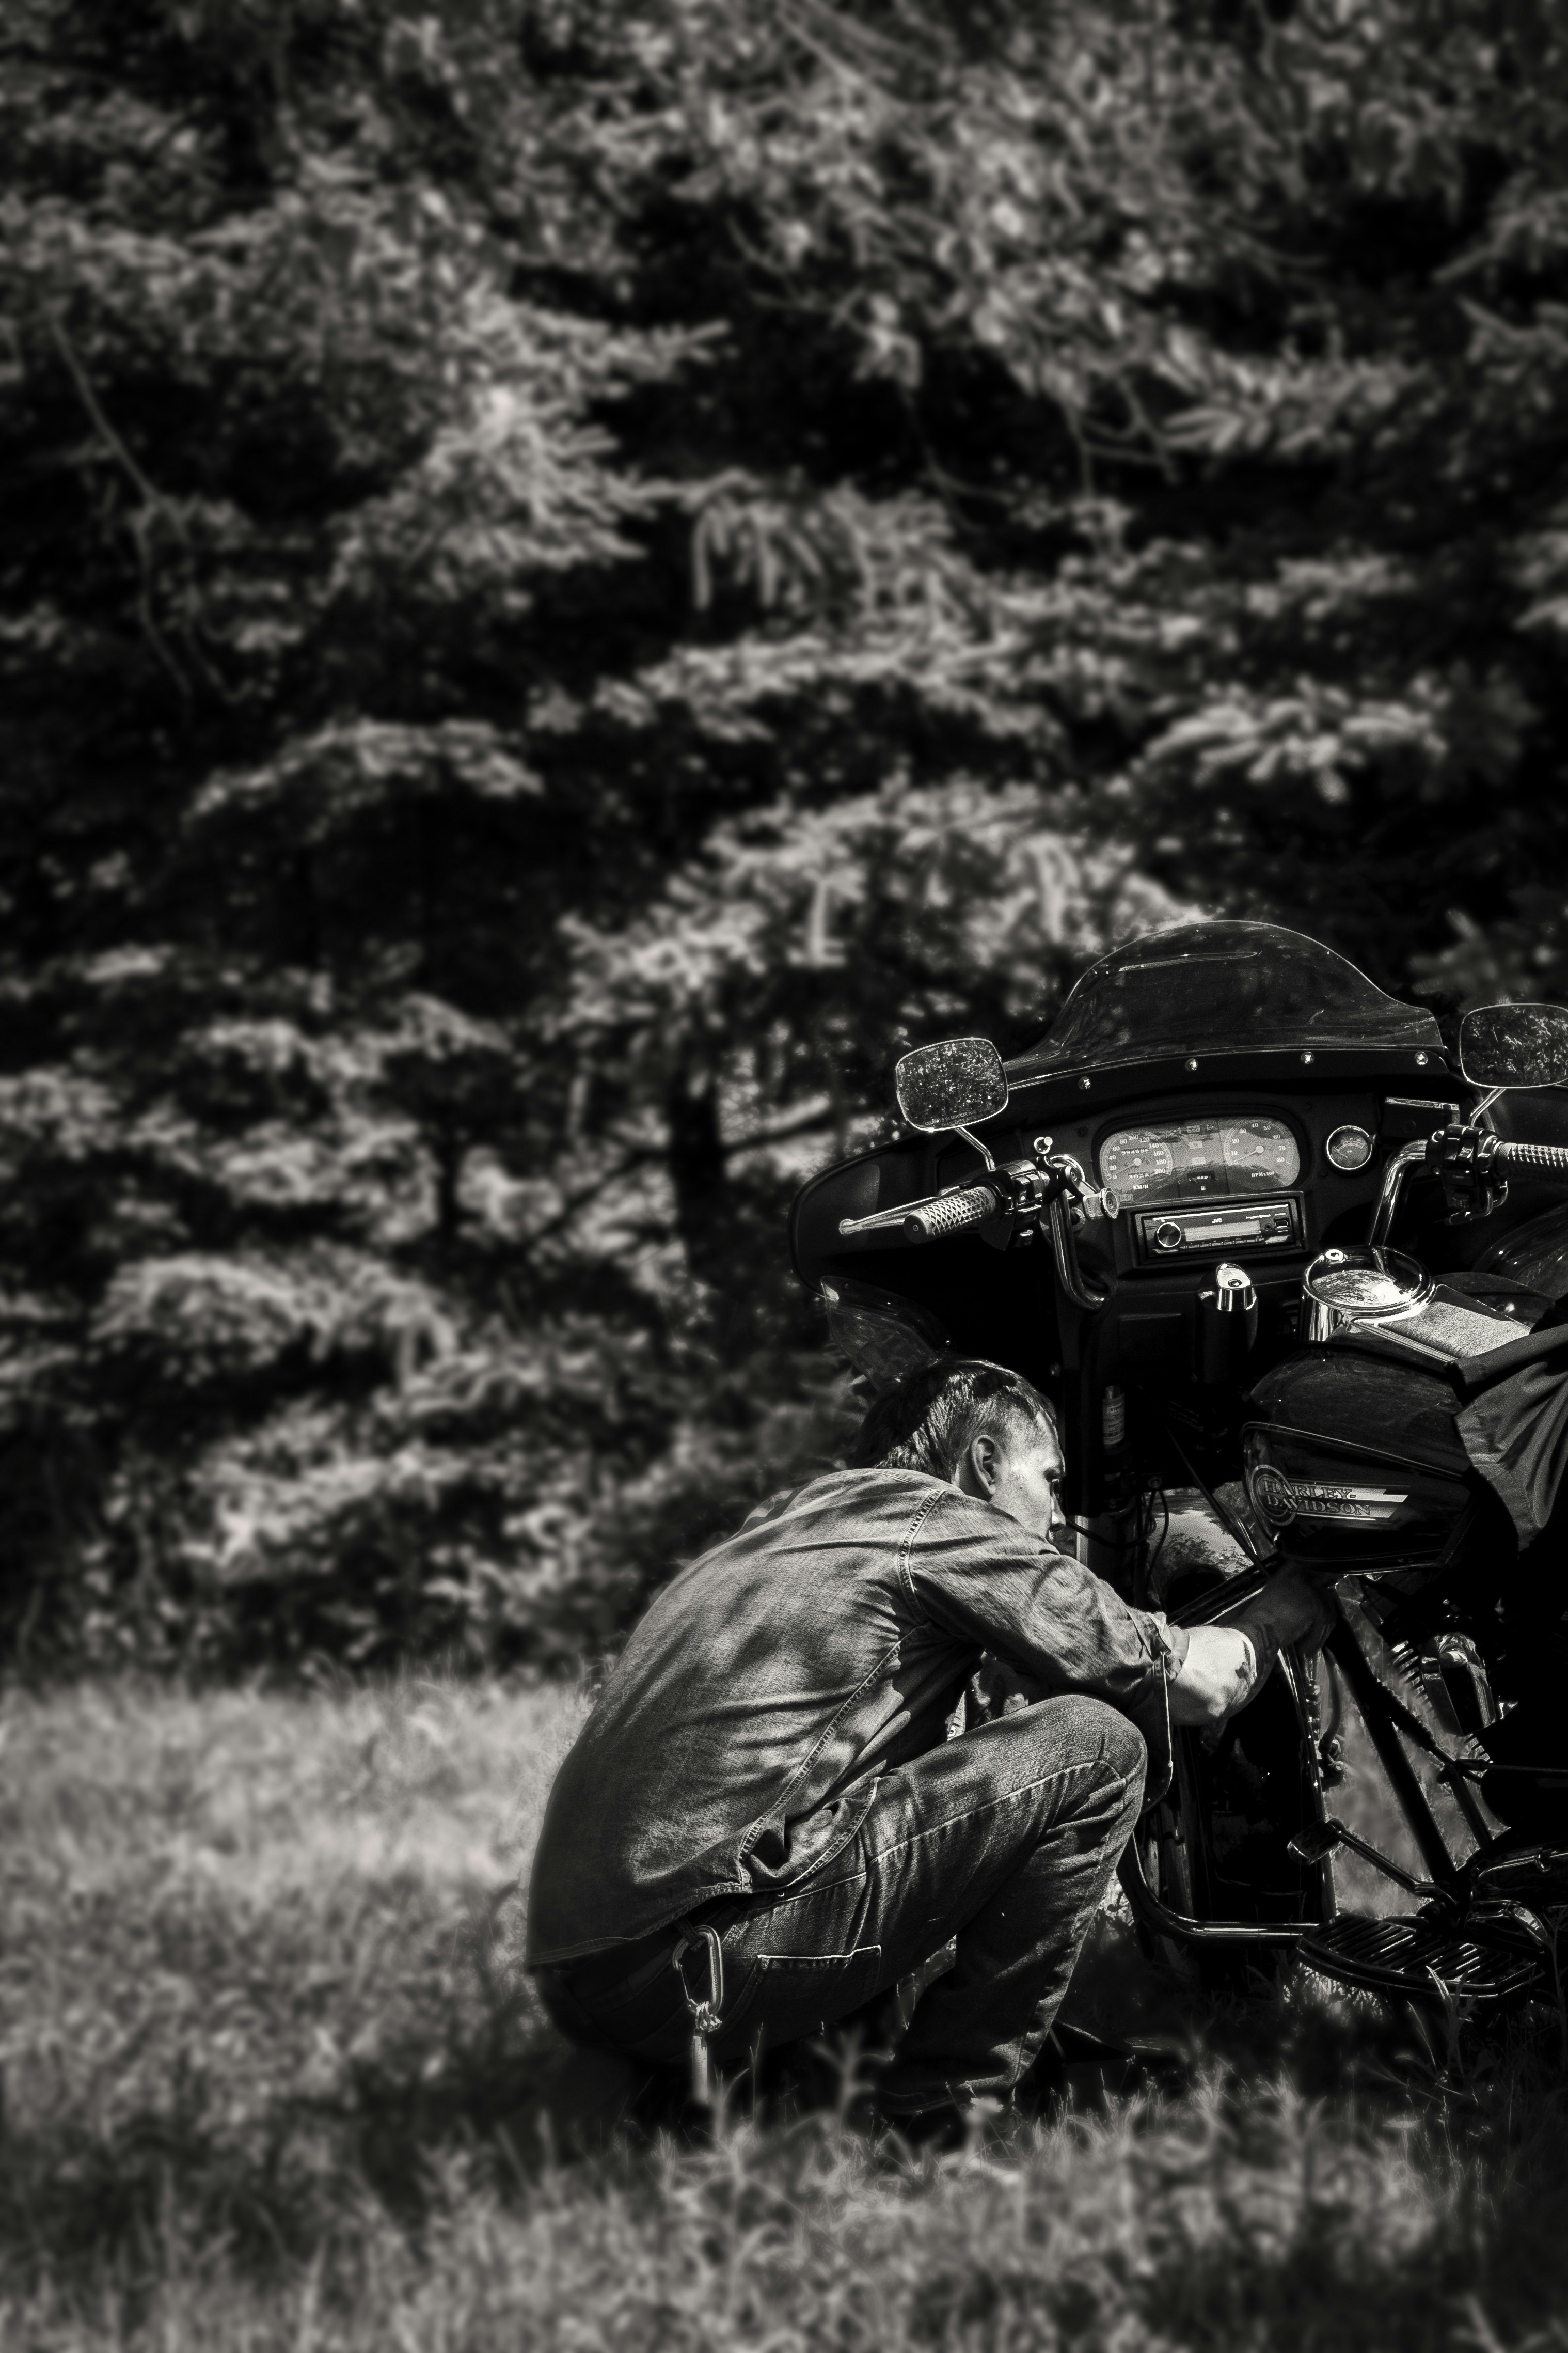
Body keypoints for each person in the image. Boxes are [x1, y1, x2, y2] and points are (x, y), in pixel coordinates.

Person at [526, 1357, 1335, 2134]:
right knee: (1099, 1747)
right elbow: (1194, 1685)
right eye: (1049, 1480)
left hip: (583, 1981)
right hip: (700, 1964)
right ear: (983, 1464)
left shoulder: (779, 1527)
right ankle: (944, 2110)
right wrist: (1286, 1606)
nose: (1057, 1517)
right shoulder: (936, 1521)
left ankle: (765, 2079)